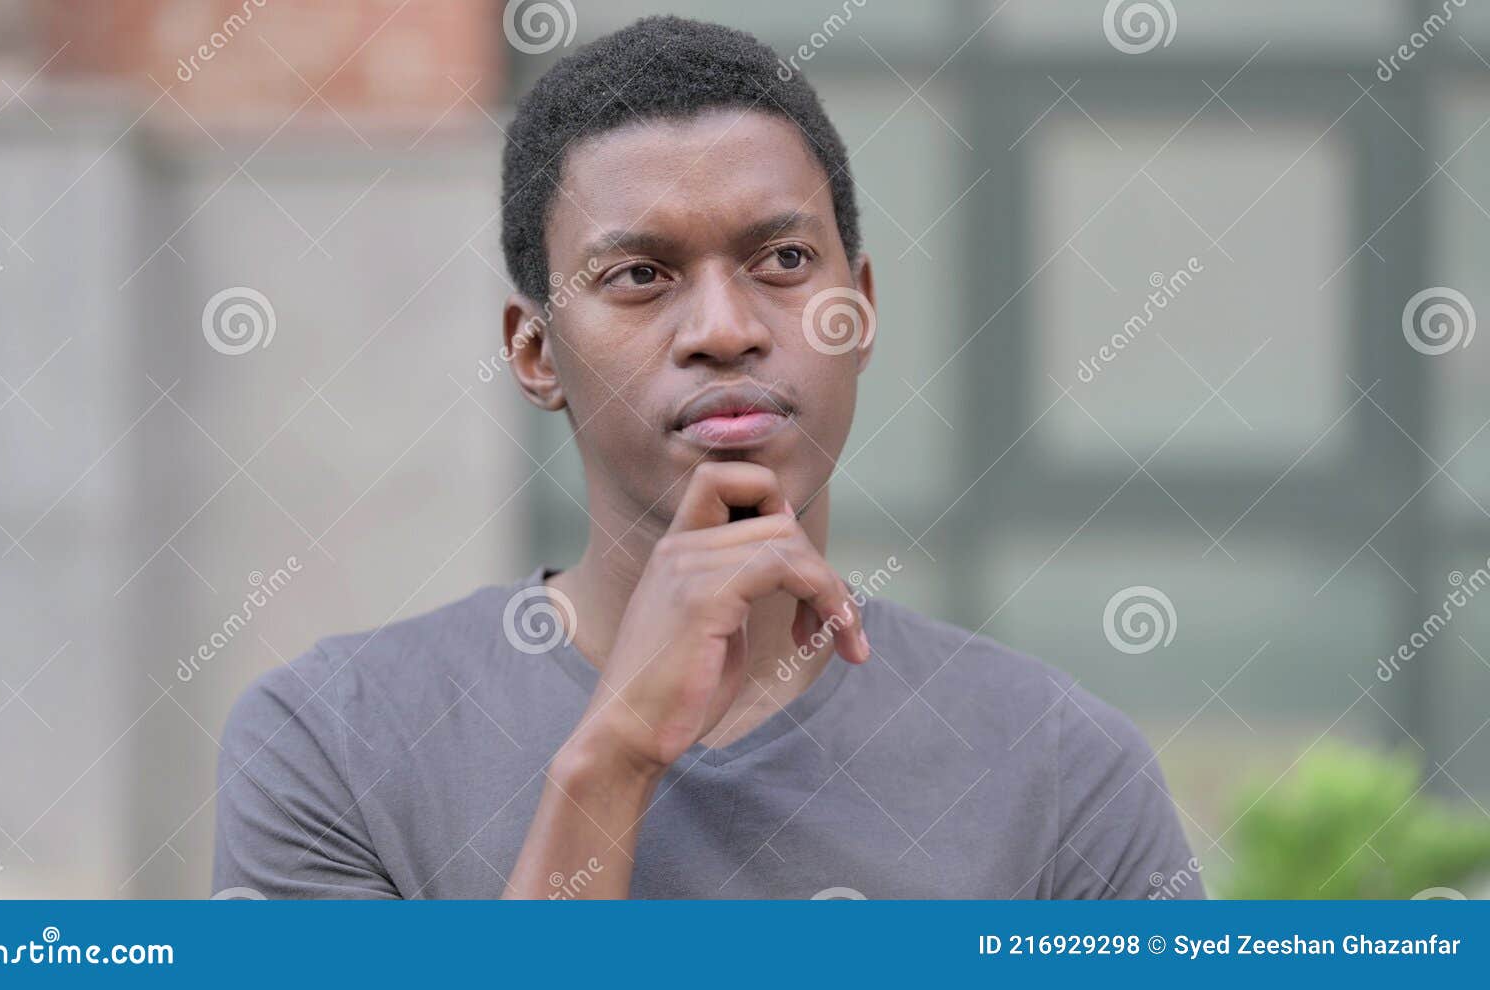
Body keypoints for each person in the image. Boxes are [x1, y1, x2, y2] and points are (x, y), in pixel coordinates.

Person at [212, 15, 1202, 900]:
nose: (725, 329)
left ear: (857, 310)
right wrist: (610, 764)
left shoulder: (1061, 772)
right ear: (534, 351)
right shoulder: (334, 745)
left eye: (782, 262)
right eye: (640, 275)